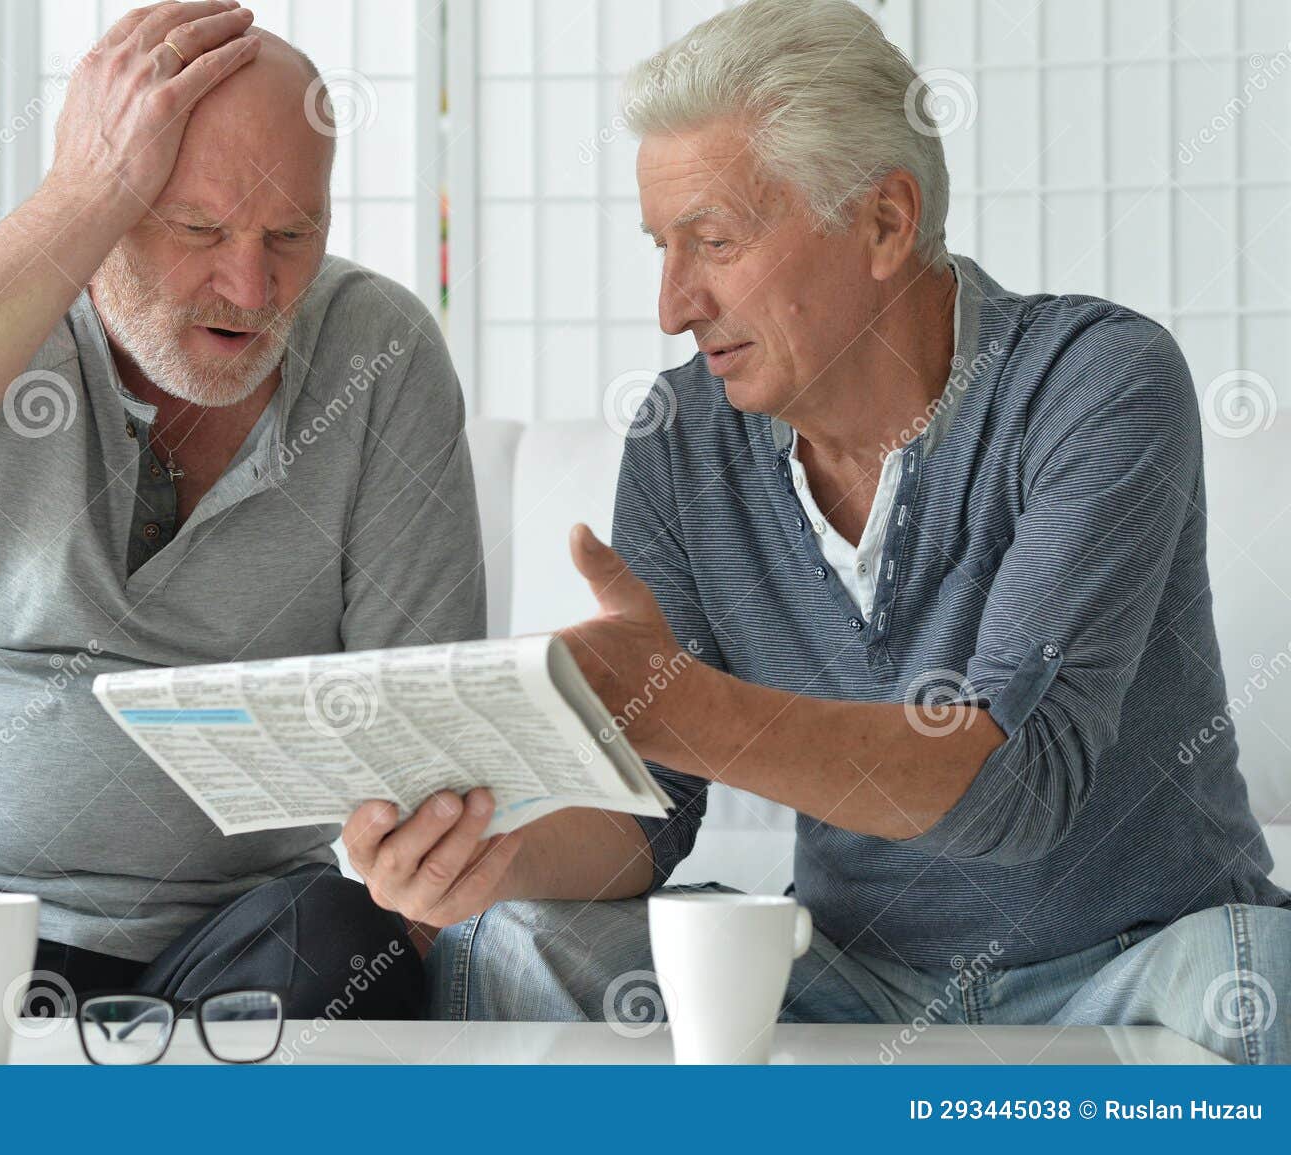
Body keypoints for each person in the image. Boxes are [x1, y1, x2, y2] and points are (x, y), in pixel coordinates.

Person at [345, 0, 1291, 1064]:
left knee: (1264, 981)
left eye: (714, 242)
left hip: (1133, 970)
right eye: (663, 248)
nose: (672, 305)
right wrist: (484, 856)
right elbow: (653, 813)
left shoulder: (1095, 381)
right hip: (848, 980)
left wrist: (677, 705)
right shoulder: (679, 436)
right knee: (508, 937)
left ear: (884, 223)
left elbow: (1017, 785)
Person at [0, 2, 484, 1055]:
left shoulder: (378, 352)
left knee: (343, 939)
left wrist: (422, 845)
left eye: (292, 234)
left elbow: (420, 720)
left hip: (211, 943)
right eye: (198, 229)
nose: (252, 287)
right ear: (104, 196)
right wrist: (74, 202)